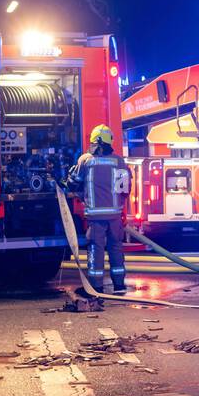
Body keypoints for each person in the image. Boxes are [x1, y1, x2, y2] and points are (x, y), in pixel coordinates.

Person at [67, 124, 131, 295]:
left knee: (96, 249)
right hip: (115, 216)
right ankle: (119, 286)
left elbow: (73, 182)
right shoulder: (119, 162)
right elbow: (125, 189)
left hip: (95, 217)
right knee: (116, 248)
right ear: (110, 142)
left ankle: (96, 287)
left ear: (94, 142)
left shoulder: (85, 160)